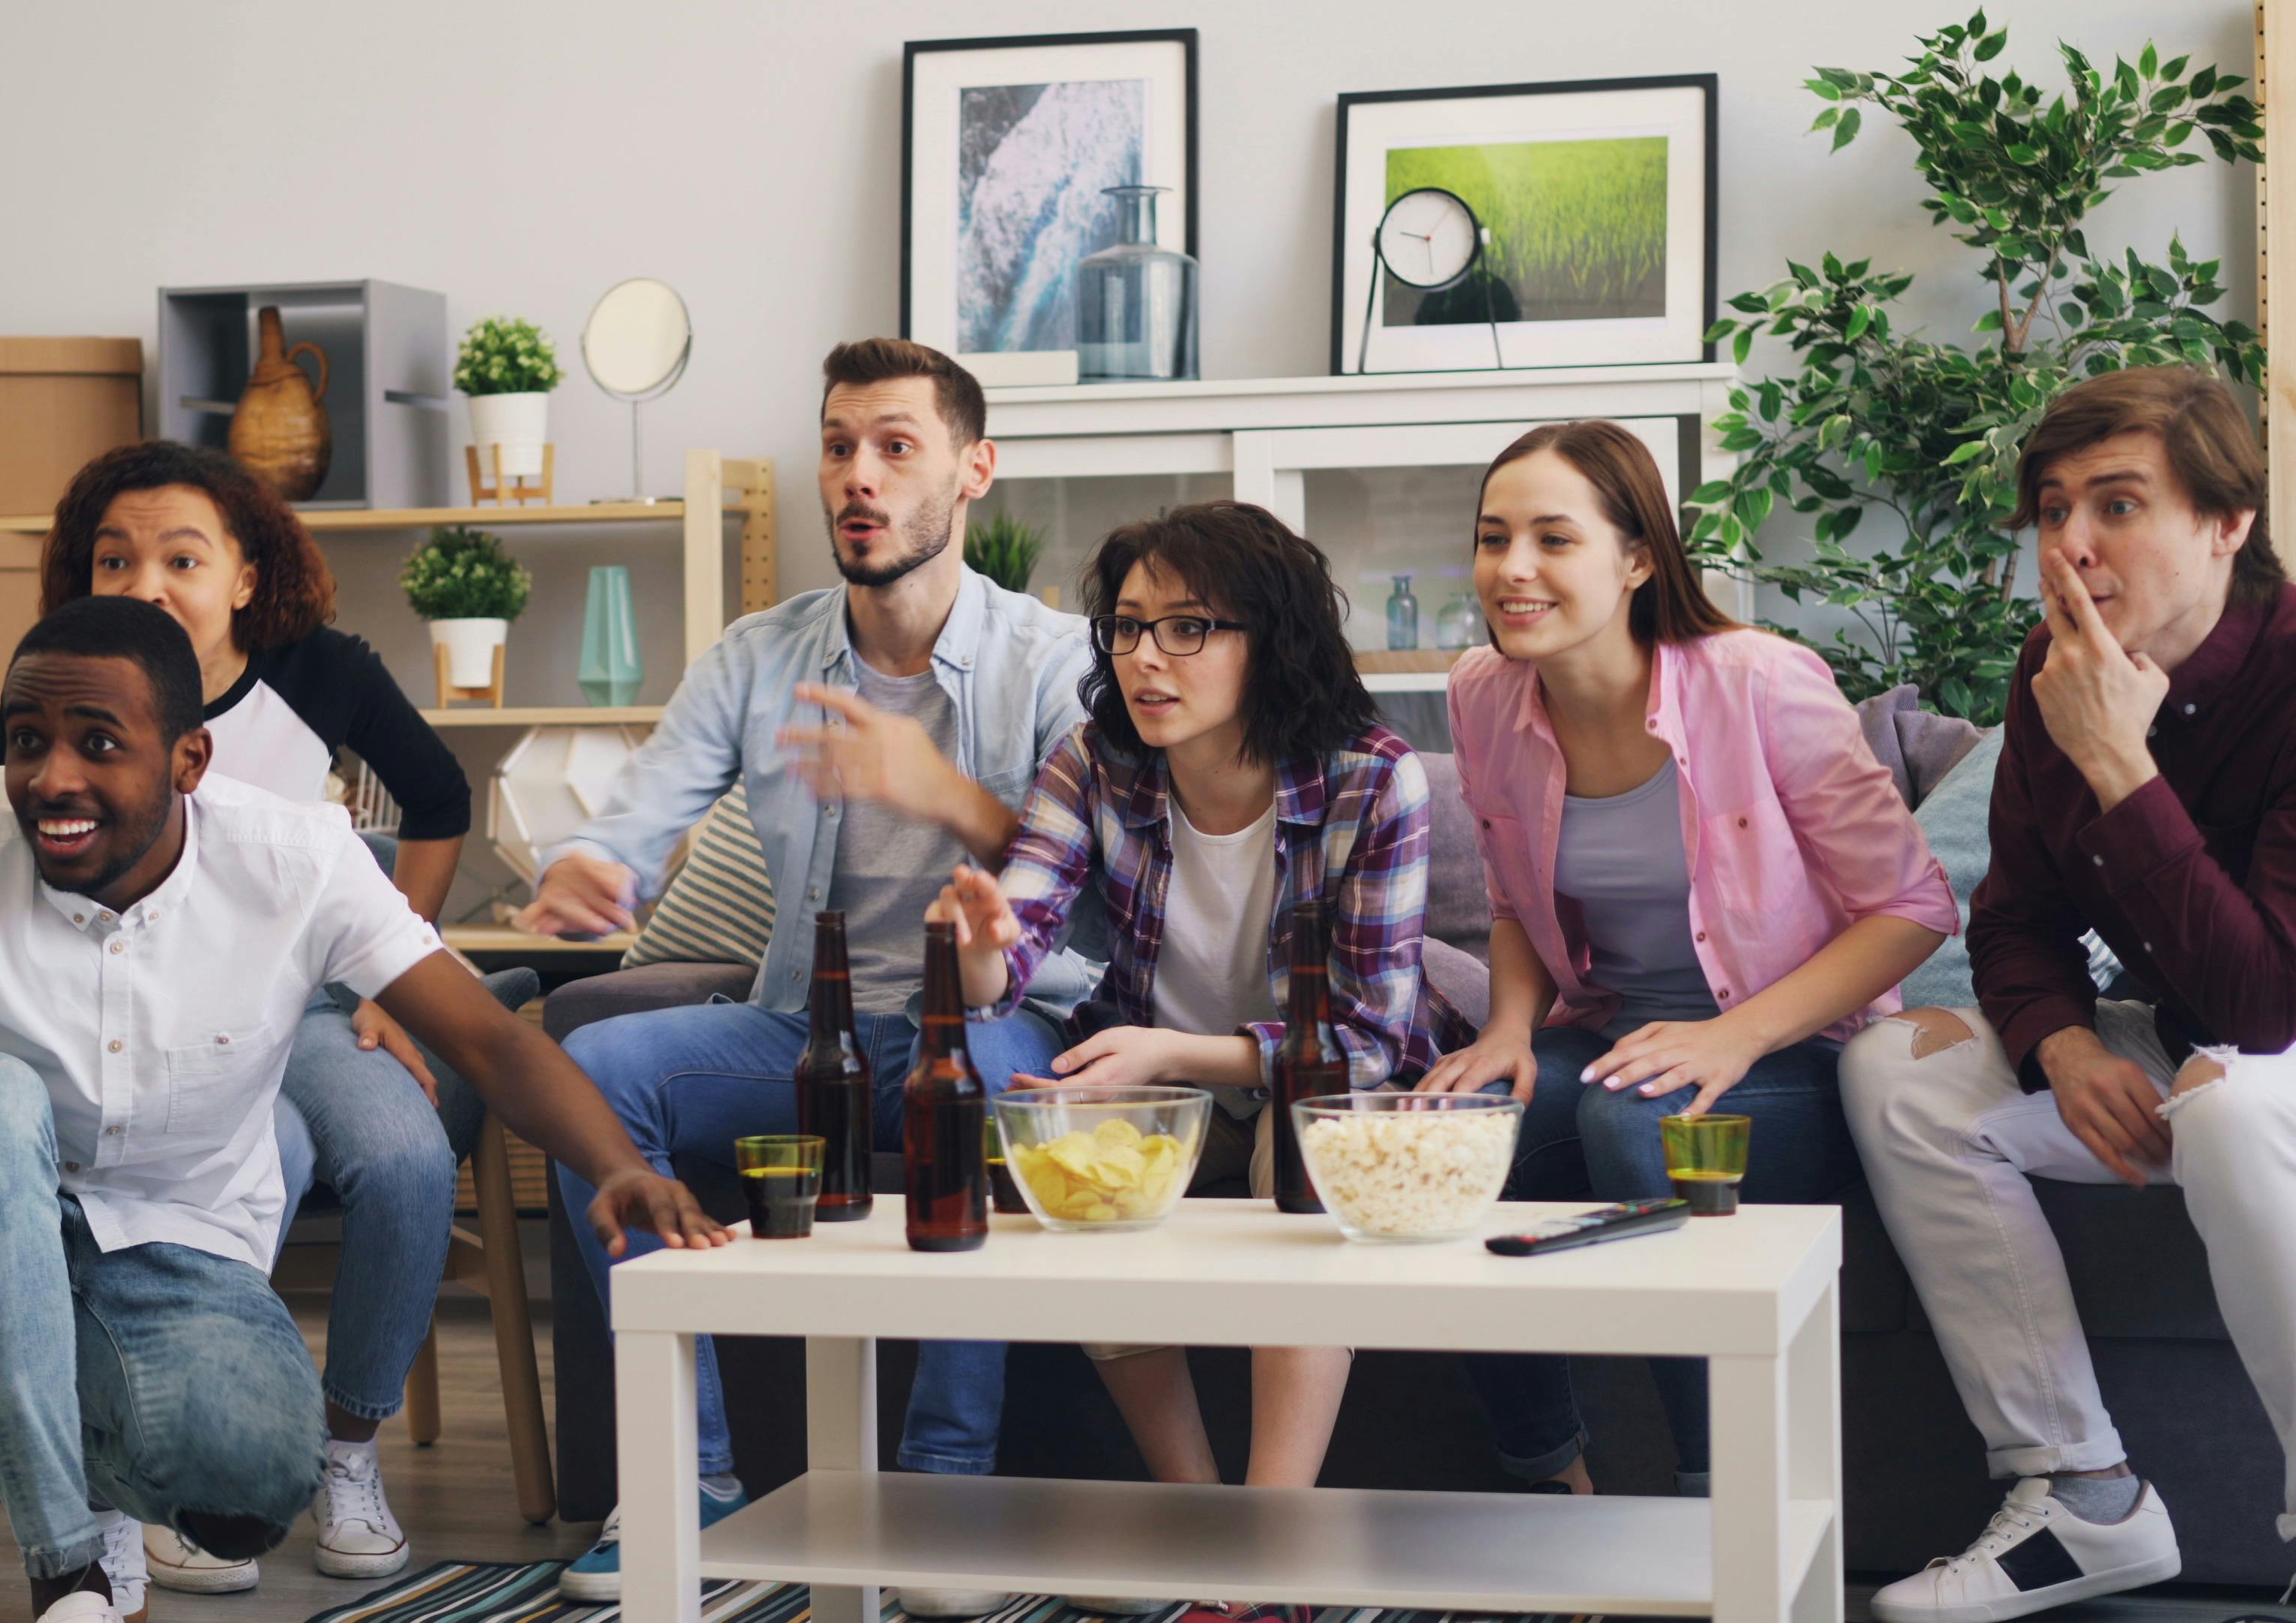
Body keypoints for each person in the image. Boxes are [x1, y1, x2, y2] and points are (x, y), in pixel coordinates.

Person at [0, 597, 722, 1623]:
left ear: (189, 760)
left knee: (248, 1484)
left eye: (98, 744)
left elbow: (486, 1038)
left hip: (169, 1257)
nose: (50, 779)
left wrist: (618, 1166)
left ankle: (96, 1432)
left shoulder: (295, 861)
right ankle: (66, 1574)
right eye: (28, 741)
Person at [518, 338, 1094, 1613]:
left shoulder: (1056, 662)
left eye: (896, 446)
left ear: (974, 469)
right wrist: (593, 868)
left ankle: (947, 1486)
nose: (858, 477)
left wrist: (939, 791)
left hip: (993, 1024)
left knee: (991, 1081)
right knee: (588, 1072)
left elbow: (1103, 881)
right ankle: (693, 1480)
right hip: (807, 1030)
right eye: (839, 446)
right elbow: (636, 816)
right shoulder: (757, 656)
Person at [0, 441, 487, 1590]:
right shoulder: (56, 685)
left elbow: (439, 798)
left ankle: (345, 1453)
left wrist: (396, 974)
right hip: (135, 1018)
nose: (146, 584)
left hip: (315, 1009)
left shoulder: (320, 672)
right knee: (225, 1168)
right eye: (115, 559)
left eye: (181, 558)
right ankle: (163, 1468)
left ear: (244, 575)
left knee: (408, 1159)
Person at [929, 500, 1457, 1623]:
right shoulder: (1097, 765)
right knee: (1066, 1151)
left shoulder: (1377, 777)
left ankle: (1270, 1558)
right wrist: (975, 950)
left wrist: (1173, 1049)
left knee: (1306, 1139)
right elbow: (1006, 965)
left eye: (1188, 629)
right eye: (1125, 629)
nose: (1145, 660)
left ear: (1272, 640)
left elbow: (1363, 1033)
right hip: (1163, 1083)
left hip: (1317, 1082)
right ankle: (1200, 1524)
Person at [1417, 420, 1953, 1496]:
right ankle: (1553, 1487)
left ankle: (1728, 1521)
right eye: (1493, 536)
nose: (1513, 569)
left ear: (1638, 559)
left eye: (1553, 539)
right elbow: (1517, 898)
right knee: (1449, 1135)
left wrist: (1733, 1037)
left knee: (1643, 1121)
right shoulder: (1484, 692)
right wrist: (1509, 1030)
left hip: (1797, 1046)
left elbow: (1911, 907)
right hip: (1617, 1034)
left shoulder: (1760, 683)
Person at [1838, 366, 2296, 1622]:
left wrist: (2119, 763)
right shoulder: (2058, 662)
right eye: (2052, 509)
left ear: (2228, 522)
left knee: (2233, 1105)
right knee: (1899, 1073)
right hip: (2193, 1039)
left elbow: (2268, 1007)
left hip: (2273, 1048)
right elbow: (2018, 920)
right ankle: (2086, 1494)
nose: (2072, 545)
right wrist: (2062, 1047)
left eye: (2117, 505)